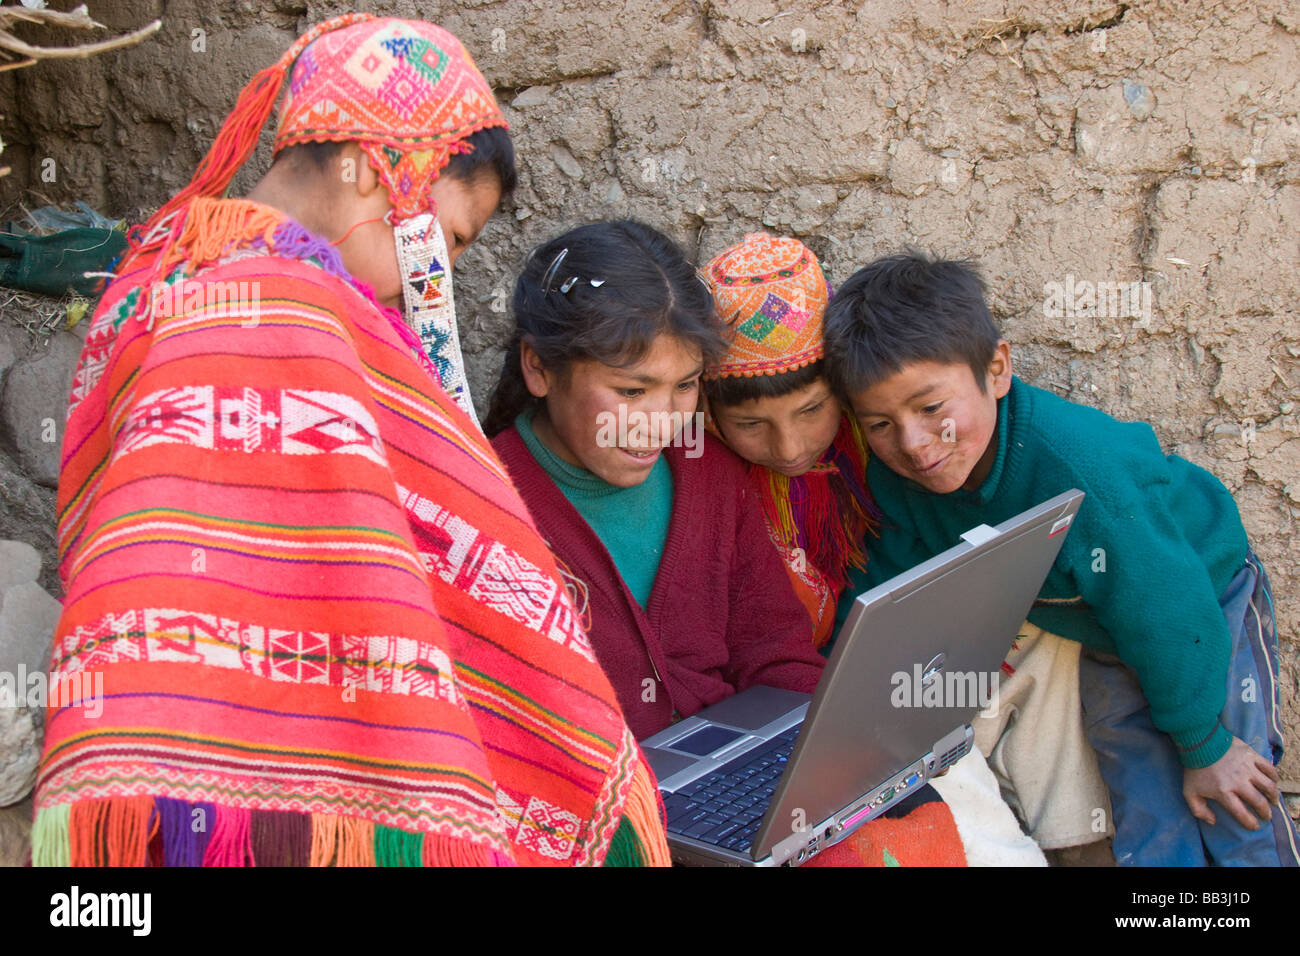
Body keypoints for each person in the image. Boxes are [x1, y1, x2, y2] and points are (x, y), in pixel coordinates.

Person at [32, 15, 668, 867]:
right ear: (378, 170)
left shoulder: (159, 274)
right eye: (446, 241)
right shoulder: (294, 310)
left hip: (159, 754)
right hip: (286, 814)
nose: (429, 285)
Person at [822, 249, 1300, 866]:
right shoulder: (901, 483)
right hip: (1103, 634)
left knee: (1232, 794)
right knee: (1149, 809)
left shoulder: (1081, 473)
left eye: (931, 408)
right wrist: (840, 686)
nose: (913, 444)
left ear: (997, 369)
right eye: (880, 424)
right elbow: (886, 588)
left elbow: (1164, 608)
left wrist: (1206, 743)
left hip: (1203, 611)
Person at [483, 221, 826, 741]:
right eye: (631, 390)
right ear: (539, 368)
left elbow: (777, 655)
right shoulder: (482, 504)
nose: (662, 422)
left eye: (685, 385)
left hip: (730, 779)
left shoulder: (709, 475)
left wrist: (822, 762)